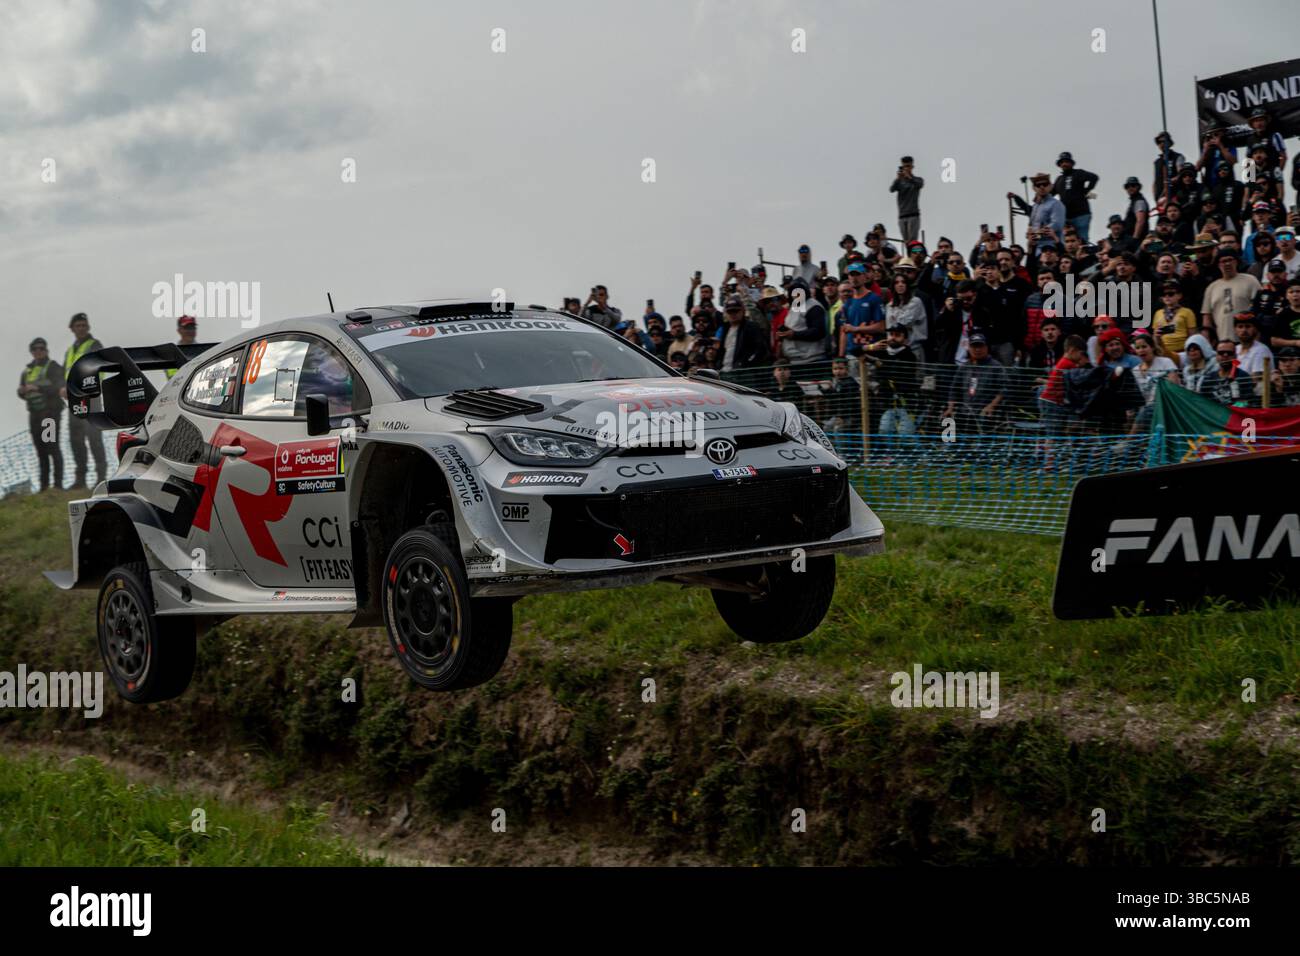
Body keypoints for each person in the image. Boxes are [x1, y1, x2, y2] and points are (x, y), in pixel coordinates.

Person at [61, 312, 106, 489]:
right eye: (78, 325)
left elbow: (97, 370)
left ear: (87, 327)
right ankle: (80, 480)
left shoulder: (95, 345)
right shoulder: (70, 350)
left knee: (94, 438)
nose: (81, 328)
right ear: (72, 328)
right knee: (76, 440)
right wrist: (62, 387)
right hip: (74, 400)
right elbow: (66, 373)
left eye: (83, 325)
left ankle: (101, 477)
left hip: (91, 398)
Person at [17, 337, 65, 491]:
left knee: (51, 446)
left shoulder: (53, 367)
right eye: (35, 349)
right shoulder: (27, 371)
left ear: (46, 350)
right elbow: (23, 390)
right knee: (40, 450)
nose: (38, 351)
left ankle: (57, 485)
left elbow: (59, 388)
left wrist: (37, 388)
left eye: (41, 348)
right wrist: (22, 391)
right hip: (34, 415)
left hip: (49, 413)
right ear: (31, 351)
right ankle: (44, 486)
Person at [942, 333, 1006, 434]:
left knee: (985, 419)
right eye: (974, 346)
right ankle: (949, 447)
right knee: (947, 419)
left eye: (980, 346)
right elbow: (954, 389)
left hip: (985, 411)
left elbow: (1003, 390)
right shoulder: (964, 367)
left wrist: (992, 406)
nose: (977, 349)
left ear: (986, 347)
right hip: (965, 410)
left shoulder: (996, 367)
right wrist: (950, 408)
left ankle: (982, 447)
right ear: (969, 348)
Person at [865, 324, 919, 435]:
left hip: (906, 404)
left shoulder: (910, 355)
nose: (893, 337)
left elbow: (899, 375)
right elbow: (853, 351)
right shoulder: (881, 351)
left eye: (897, 335)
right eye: (891, 334)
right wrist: (871, 347)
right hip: (887, 403)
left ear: (905, 339)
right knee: (884, 431)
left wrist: (878, 363)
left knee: (905, 435)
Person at [1200, 249, 1261, 343]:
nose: (1227, 263)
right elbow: (1207, 318)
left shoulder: (1250, 280)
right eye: (1223, 261)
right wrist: (1207, 341)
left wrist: (1257, 338)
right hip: (1223, 343)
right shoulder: (1211, 288)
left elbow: (1259, 310)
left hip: (1248, 340)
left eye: (1230, 260)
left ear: (1236, 261)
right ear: (1218, 264)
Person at [777, 278, 830, 377]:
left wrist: (794, 334)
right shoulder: (795, 306)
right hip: (795, 362)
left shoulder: (813, 306)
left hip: (812, 362)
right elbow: (794, 326)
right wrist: (783, 332)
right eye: (793, 290)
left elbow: (818, 332)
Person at [1130, 331, 1180, 432]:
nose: (1141, 350)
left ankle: (1128, 443)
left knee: (1147, 412)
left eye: (1144, 346)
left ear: (1152, 347)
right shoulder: (1135, 371)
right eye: (1138, 348)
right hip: (1146, 409)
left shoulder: (1166, 362)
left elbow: (1174, 385)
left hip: (1167, 404)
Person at [1010, 173, 1065, 255]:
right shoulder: (1036, 206)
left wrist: (1036, 235)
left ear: (1050, 186)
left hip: (1051, 248)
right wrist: (1030, 233)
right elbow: (1032, 224)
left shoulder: (1056, 204)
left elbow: (1056, 225)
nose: (1042, 187)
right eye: (1038, 185)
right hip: (1036, 249)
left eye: (1045, 184)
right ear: (1034, 188)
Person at [1052, 152, 1099, 241]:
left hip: (1081, 214)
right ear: (1059, 165)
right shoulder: (1059, 179)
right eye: (1062, 162)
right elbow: (1051, 193)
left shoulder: (1079, 173)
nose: (1064, 164)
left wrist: (1087, 190)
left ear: (1071, 163)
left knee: (1082, 240)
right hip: (1066, 217)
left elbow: (1094, 177)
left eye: (1066, 161)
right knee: (1066, 241)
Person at [718, 295, 770, 374]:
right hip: (725, 371)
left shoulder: (751, 327)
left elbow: (760, 349)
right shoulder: (725, 328)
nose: (733, 314)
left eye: (736, 311)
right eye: (730, 311)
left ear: (743, 311)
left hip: (744, 373)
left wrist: (745, 363)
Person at [883, 273, 927, 362]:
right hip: (894, 350)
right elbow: (889, 328)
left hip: (912, 349)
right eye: (896, 282)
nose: (900, 284)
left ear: (907, 285)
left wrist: (894, 320)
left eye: (903, 282)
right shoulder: (889, 306)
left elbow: (904, 322)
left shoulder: (915, 302)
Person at [1199, 339, 1256, 407]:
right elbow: (1203, 404)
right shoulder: (1208, 379)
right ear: (1216, 356)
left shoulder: (1244, 377)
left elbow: (1248, 403)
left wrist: (1237, 406)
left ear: (1235, 356)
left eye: (1229, 353)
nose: (1225, 355)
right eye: (1221, 353)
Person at [818, 357, 862, 440]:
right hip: (837, 415)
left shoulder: (850, 382)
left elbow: (848, 402)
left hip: (850, 416)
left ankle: (842, 452)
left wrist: (841, 417)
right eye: (835, 369)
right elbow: (834, 398)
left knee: (838, 429)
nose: (837, 371)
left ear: (847, 369)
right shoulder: (835, 381)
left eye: (841, 368)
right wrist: (825, 390)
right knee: (826, 428)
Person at [1152, 281, 1198, 356]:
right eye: (1163, 294)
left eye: (1171, 294)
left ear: (1179, 295)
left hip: (1182, 352)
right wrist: (1157, 337)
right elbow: (1155, 337)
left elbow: (1192, 336)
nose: (1166, 296)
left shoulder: (1187, 312)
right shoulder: (1158, 313)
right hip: (1163, 352)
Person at [890, 156, 924, 243]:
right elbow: (891, 189)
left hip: (913, 214)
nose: (906, 168)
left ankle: (913, 255)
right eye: (904, 166)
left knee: (913, 241)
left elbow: (920, 185)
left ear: (912, 167)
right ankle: (909, 256)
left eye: (908, 166)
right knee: (906, 242)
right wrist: (898, 178)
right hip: (902, 215)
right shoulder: (899, 182)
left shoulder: (918, 179)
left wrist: (909, 177)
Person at [1232, 312, 1273, 379]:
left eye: (1248, 326)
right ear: (1235, 330)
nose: (1244, 330)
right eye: (1240, 326)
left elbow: (1256, 379)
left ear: (1255, 329)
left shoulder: (1261, 350)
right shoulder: (1235, 349)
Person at [1152, 132, 1185, 205]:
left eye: (1164, 141)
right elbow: (1155, 181)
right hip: (1161, 200)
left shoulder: (1177, 157)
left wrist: (1171, 181)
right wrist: (1156, 198)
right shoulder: (1157, 162)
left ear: (1169, 143)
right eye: (1159, 142)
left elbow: (1181, 174)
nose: (1161, 144)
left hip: (1174, 196)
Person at [1120, 176, 1150, 241]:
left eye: (1133, 185)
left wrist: (1134, 239)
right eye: (1127, 186)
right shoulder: (1134, 201)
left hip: (1136, 241)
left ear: (1138, 187)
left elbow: (1140, 221)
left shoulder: (1139, 201)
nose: (1130, 188)